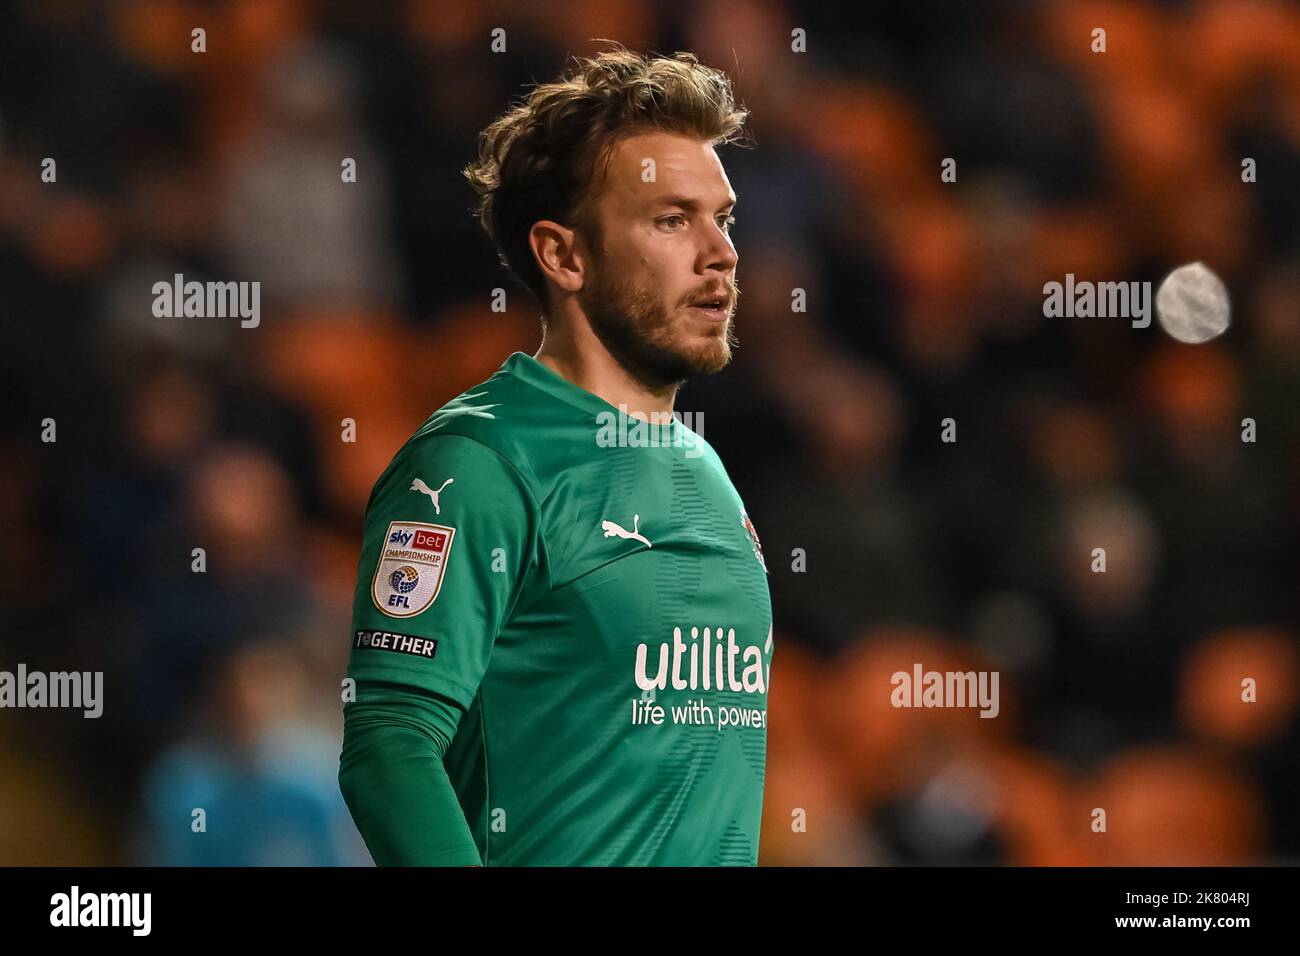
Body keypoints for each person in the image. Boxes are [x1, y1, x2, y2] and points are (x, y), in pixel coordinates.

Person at [338, 47, 774, 866]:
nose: (721, 252)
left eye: (725, 217)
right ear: (563, 255)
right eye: (672, 219)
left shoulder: (711, 479)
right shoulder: (478, 463)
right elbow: (389, 749)